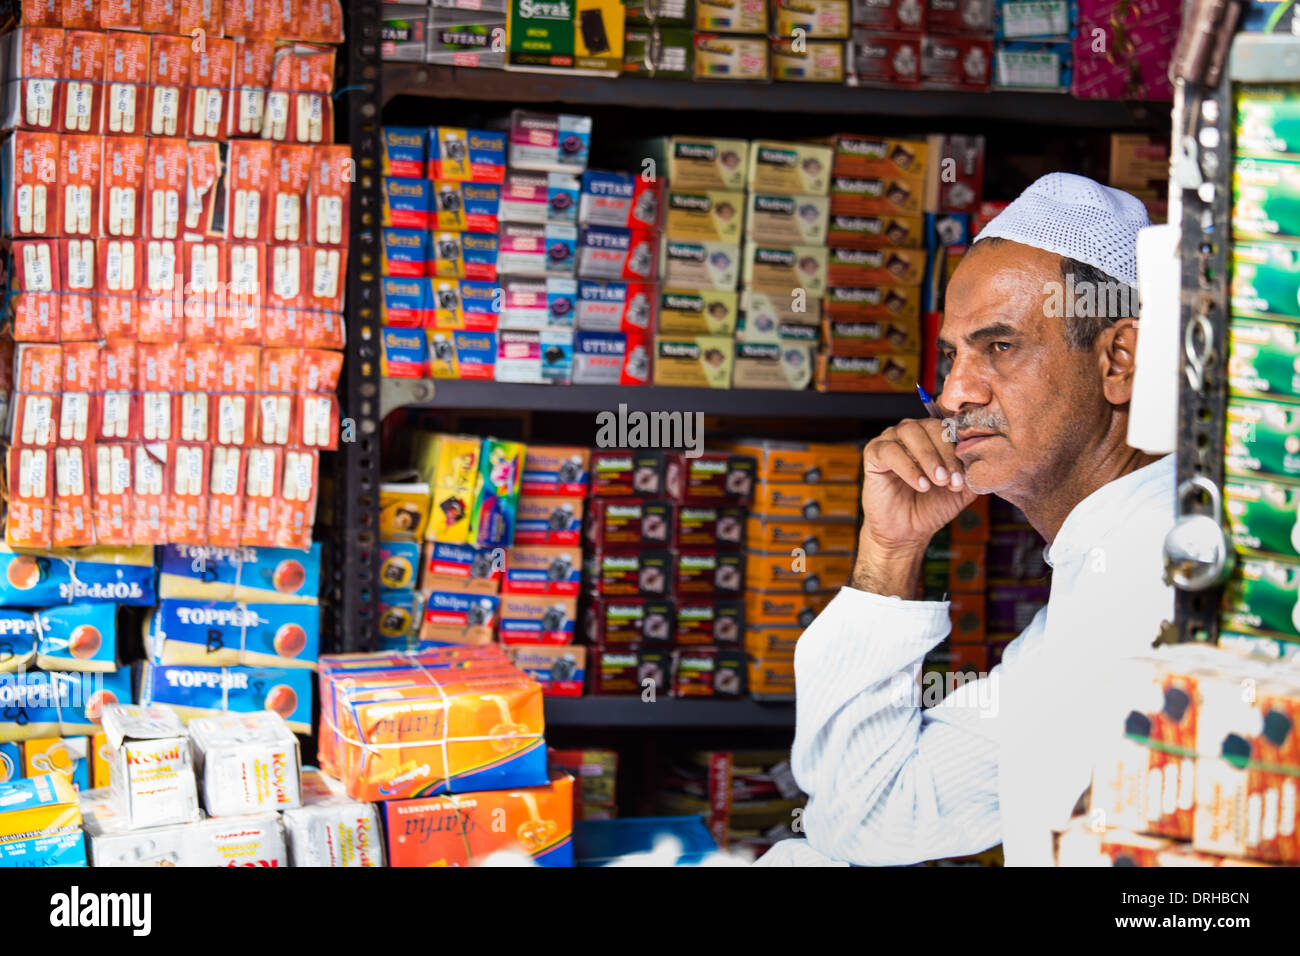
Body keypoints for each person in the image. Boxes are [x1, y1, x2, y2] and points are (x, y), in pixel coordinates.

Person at [756, 173, 1174, 867]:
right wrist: (890, 549)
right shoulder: (1093, 575)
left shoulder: (1163, 569)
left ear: (1119, 361)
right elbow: (871, 819)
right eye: (952, 356)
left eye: (1000, 347)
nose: (953, 393)